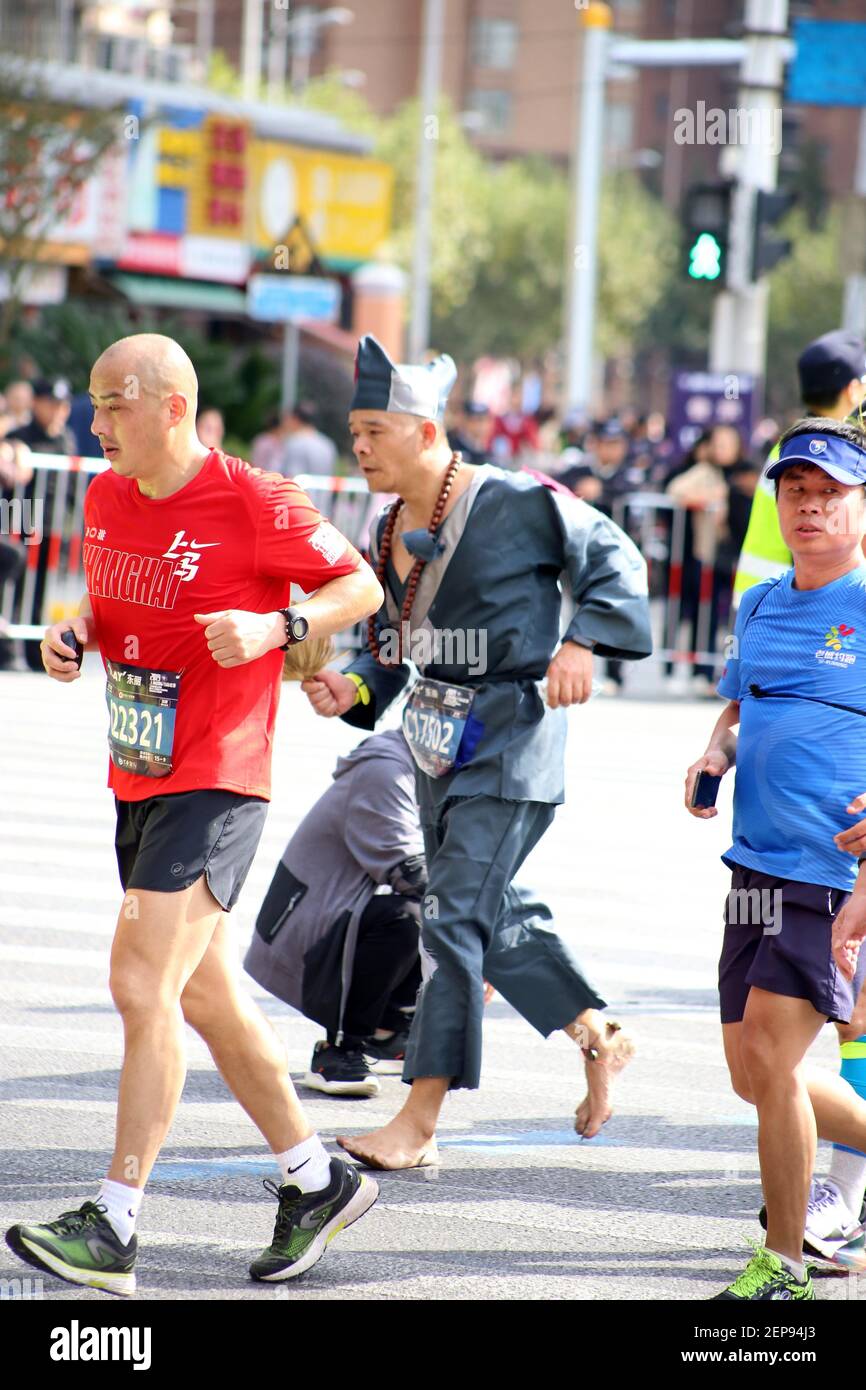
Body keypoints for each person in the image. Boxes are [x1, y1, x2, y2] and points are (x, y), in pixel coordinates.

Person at [4, 332, 383, 1295]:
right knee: (206, 996)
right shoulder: (102, 495)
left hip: (218, 775)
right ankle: (317, 1179)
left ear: (173, 407)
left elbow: (361, 585)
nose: (96, 423)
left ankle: (116, 1225)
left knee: (140, 983)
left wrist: (278, 624)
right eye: (92, 404)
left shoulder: (254, 499)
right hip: (138, 772)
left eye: (114, 402)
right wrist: (75, 634)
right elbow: (114, 607)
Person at [300, 334, 653, 1170]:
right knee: (492, 913)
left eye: (375, 430)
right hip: (434, 737)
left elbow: (613, 554)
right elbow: (388, 643)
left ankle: (418, 1121)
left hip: (514, 733)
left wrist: (584, 642)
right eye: (355, 431)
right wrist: (350, 690)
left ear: (425, 432)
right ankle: (598, 1033)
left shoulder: (517, 499)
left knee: (452, 915)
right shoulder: (387, 526)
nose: (360, 446)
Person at [686, 416, 866, 1300]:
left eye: (830, 493)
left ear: (861, 507)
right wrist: (715, 753)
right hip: (752, 866)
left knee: (773, 1048)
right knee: (751, 1072)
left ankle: (785, 1263)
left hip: (829, 871)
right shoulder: (757, 603)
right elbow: (735, 708)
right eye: (796, 491)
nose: (809, 507)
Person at [245, 728, 425, 1098]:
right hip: (303, 936)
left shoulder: (428, 768)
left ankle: (386, 1032)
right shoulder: (385, 770)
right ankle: (340, 1048)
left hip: (338, 917)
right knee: (416, 913)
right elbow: (407, 869)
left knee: (436, 907)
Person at [734, 330, 866, 601]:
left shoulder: (786, 448)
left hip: (760, 597)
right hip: (798, 600)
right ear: (852, 390)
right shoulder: (844, 459)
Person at [667, 424, 758, 692]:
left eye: (726, 444)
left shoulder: (750, 472)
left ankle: (737, 674)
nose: (721, 450)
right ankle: (704, 673)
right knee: (703, 614)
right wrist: (709, 497)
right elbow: (676, 491)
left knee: (737, 619)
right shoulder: (705, 473)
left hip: (744, 556)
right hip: (710, 555)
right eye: (717, 444)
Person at [5, 378, 77, 671]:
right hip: (19, 522)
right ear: (36, 403)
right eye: (52, 404)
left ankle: (36, 654)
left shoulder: (66, 439)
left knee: (40, 591)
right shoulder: (19, 434)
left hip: (53, 526)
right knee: (13, 590)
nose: (58, 411)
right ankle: (8, 649)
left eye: (63, 405)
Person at [277, 400, 338, 478]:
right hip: (324, 489)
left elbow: (291, 476)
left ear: (295, 418)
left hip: (301, 489)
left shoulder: (295, 443)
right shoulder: (327, 443)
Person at [447, 400, 491, 466]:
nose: (480, 425)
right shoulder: (451, 443)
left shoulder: (487, 450)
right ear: (465, 420)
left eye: (483, 420)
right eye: (476, 420)